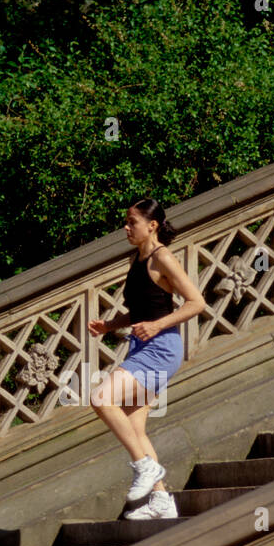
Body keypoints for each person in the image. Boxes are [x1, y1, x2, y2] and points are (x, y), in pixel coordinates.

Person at [86, 198, 206, 519]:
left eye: (132, 222)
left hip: (162, 348)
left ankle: (146, 468)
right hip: (141, 347)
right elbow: (143, 308)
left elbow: (196, 303)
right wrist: (110, 325)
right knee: (135, 426)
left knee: (100, 398)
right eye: (126, 222)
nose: (126, 228)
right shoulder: (137, 258)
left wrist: (157, 325)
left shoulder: (162, 257)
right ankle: (162, 501)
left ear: (152, 225)